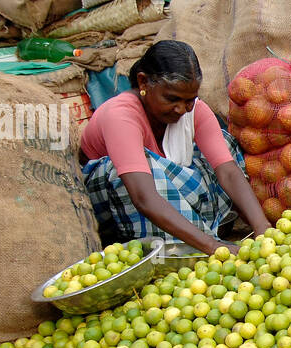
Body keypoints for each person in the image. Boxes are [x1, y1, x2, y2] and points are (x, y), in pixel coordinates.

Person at [81, 41, 269, 254]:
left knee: (223, 142)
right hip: (120, 205)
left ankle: (197, 234)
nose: (181, 109)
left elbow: (227, 171)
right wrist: (213, 246)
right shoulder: (120, 115)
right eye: (172, 99)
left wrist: (263, 229)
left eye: (190, 100)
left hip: (162, 194)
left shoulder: (193, 111)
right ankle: (193, 243)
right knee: (140, 166)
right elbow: (143, 198)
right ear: (143, 83)